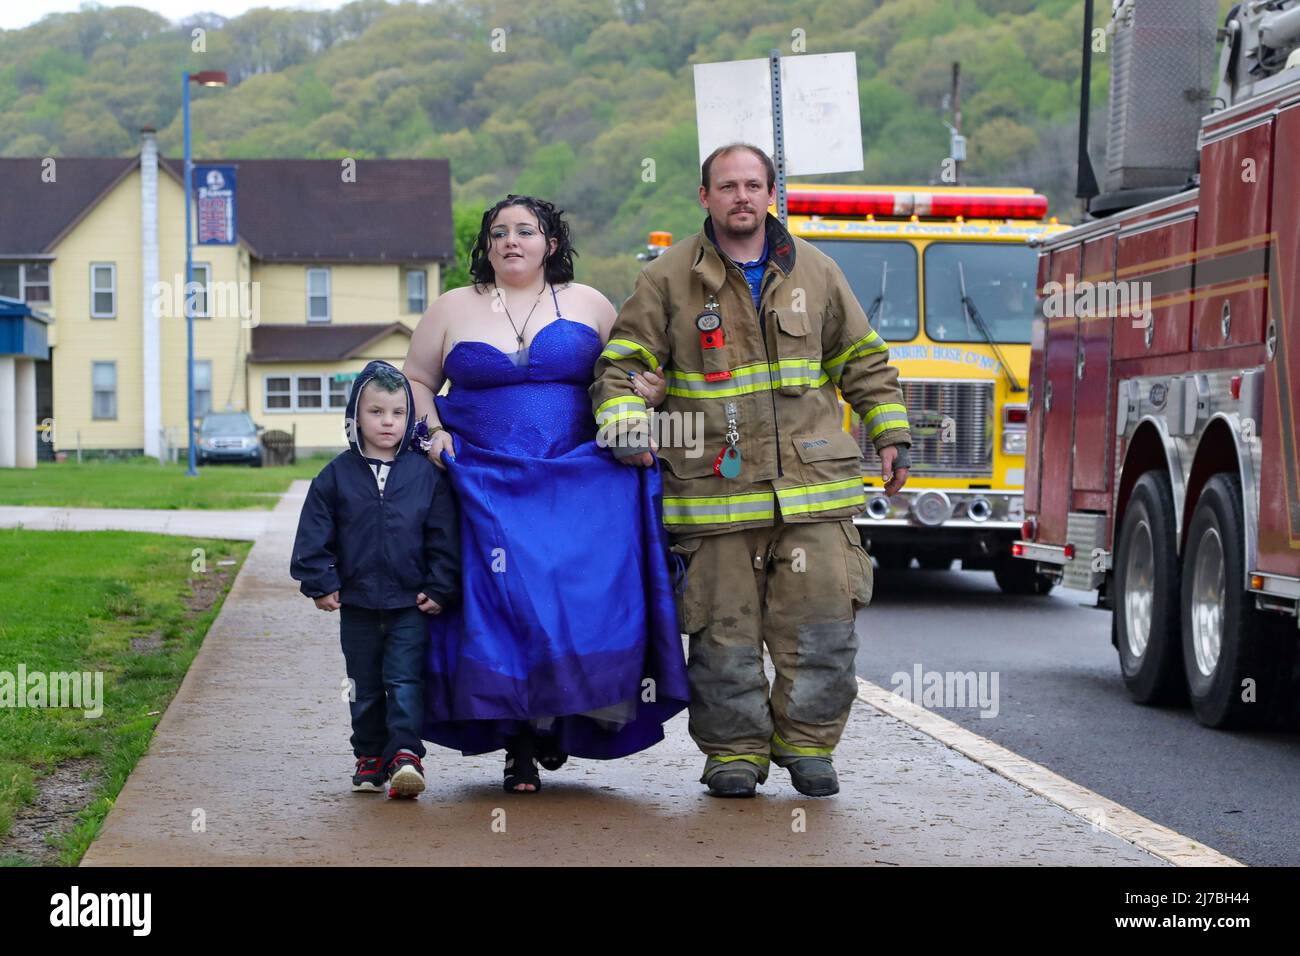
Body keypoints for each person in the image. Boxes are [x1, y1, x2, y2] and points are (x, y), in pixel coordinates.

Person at [591, 143, 913, 799]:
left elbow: (863, 362)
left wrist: (891, 432)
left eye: (753, 185)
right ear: (704, 197)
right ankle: (734, 754)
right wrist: (625, 424)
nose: (741, 196)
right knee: (722, 636)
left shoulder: (817, 273)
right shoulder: (666, 279)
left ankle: (809, 749)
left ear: (771, 194)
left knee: (823, 628)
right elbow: (620, 367)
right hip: (712, 495)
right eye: (727, 186)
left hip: (813, 492)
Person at [402, 194, 689, 794]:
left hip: (579, 480)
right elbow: (417, 380)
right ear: (486, 246)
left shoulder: (590, 302)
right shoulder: (454, 306)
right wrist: (432, 433)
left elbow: (627, 370)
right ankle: (519, 743)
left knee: (576, 604)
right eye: (499, 232)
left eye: (526, 231)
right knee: (504, 607)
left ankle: (565, 719)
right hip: (483, 478)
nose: (511, 241)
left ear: (550, 244)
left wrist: (652, 397)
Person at [290, 360, 461, 799]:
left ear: (409, 418)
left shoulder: (426, 476)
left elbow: (444, 536)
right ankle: (369, 755)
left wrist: (442, 585)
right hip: (359, 604)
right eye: (376, 412)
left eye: (398, 413)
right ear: (355, 416)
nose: (388, 422)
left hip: (409, 604)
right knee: (363, 686)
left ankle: (406, 756)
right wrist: (320, 581)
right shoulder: (335, 476)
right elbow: (314, 533)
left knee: (404, 681)